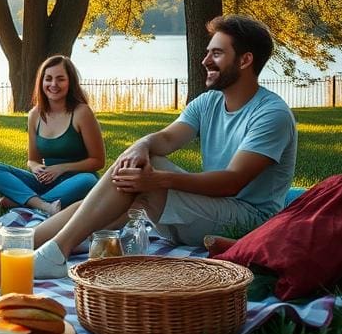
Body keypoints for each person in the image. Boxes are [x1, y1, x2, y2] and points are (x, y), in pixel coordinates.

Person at [30, 15, 298, 278]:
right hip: (210, 209)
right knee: (129, 179)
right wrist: (141, 145)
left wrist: (157, 179)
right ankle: (20, 247)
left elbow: (232, 182)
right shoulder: (208, 102)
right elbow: (167, 139)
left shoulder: (271, 114)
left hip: (247, 221)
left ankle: (56, 252)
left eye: (216, 54)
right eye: (207, 53)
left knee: (142, 177)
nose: (205, 61)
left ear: (245, 60)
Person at [0, 55, 104, 215]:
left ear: (70, 82)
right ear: (41, 82)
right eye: (48, 79)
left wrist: (61, 168)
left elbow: (98, 161)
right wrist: (36, 168)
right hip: (46, 180)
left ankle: (23, 202)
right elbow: (33, 160)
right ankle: (43, 205)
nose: (53, 84)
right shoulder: (35, 114)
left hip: (76, 181)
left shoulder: (81, 112)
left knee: (89, 181)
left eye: (60, 79)